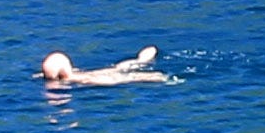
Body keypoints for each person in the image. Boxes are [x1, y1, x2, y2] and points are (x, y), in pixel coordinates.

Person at [39, 47, 174, 88]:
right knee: (121, 67)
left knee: (122, 70)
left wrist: (152, 77)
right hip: (95, 73)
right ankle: (143, 59)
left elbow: (122, 79)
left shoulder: (84, 80)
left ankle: (144, 60)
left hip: (99, 76)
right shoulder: (77, 76)